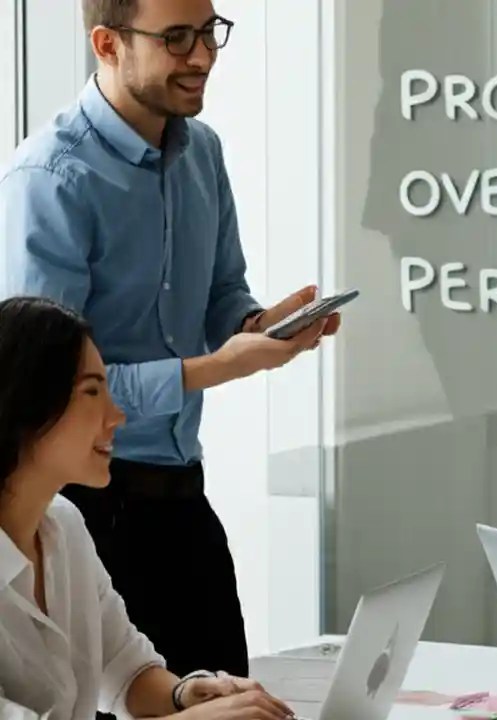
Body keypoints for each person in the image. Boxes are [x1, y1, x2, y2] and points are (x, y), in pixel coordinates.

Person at [0, 0, 339, 680]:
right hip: (86, 502)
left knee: (230, 696)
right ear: (107, 43)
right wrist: (214, 369)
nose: (204, 56)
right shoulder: (50, 180)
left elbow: (221, 295)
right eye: (177, 38)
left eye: (210, 32)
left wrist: (259, 329)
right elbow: (48, 389)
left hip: (182, 495)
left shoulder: (202, 152)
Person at [0, 296, 294, 720]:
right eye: (92, 391)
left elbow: (126, 670)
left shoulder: (63, 525)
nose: (116, 415)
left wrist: (188, 695)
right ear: (26, 404)